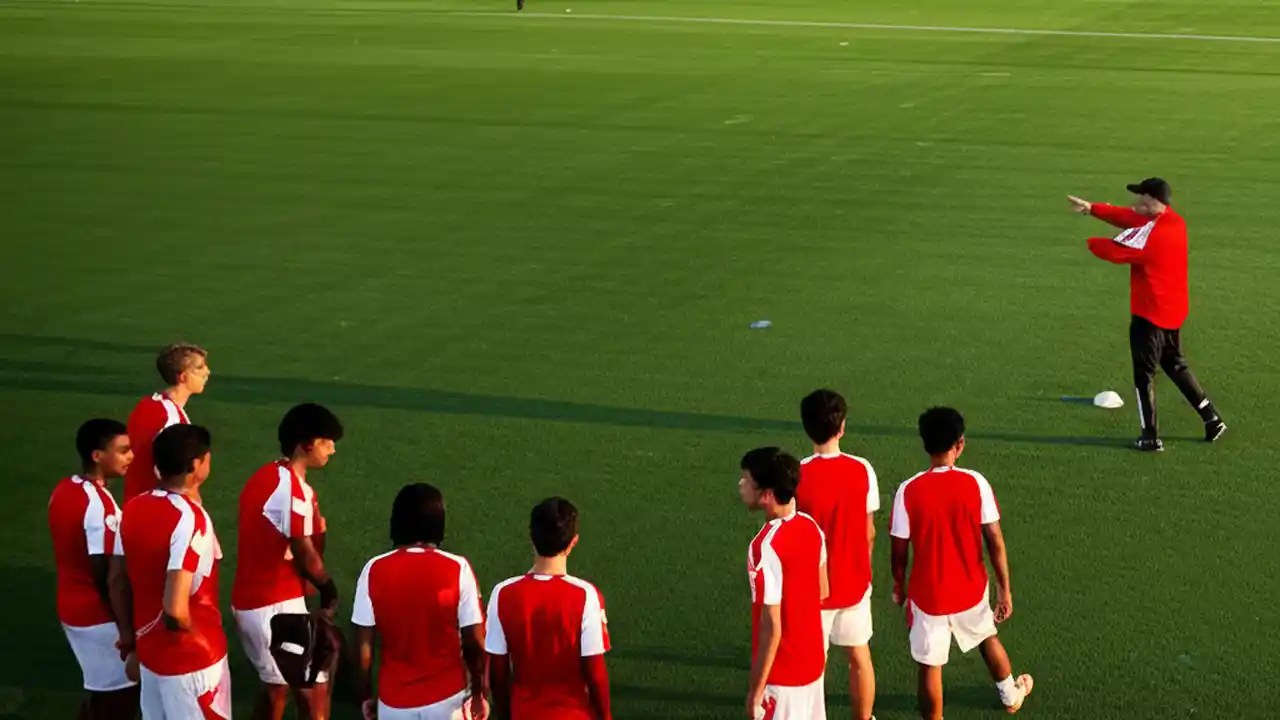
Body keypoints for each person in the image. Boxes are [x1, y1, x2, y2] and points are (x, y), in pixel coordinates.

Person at [889, 408, 1032, 720]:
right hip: (970, 589)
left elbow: (898, 550)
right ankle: (1011, 693)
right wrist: (1004, 588)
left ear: (925, 444)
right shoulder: (975, 483)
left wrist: (899, 587)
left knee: (929, 665)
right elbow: (994, 539)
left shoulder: (908, 490)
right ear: (960, 443)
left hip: (928, 596)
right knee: (986, 638)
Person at [1069, 179, 1226, 451]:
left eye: (1139, 198)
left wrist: (1090, 243)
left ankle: (1150, 436)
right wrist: (1092, 208)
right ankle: (1212, 418)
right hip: (1172, 311)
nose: (1134, 203)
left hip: (1149, 315)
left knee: (1144, 375)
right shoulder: (1174, 222)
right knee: (1176, 365)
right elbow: (1128, 217)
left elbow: (1116, 251)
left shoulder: (1154, 236)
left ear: (1153, 200)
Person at [232, 403, 344, 720]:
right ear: (306, 444)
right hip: (274, 606)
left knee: (276, 689)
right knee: (313, 693)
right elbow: (305, 551)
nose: (332, 450)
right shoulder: (291, 490)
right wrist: (329, 591)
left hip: (258, 600)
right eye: (326, 442)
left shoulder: (267, 475)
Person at [120, 423, 230, 719]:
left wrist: (131, 642)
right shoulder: (190, 520)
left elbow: (117, 579)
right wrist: (201, 639)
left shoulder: (132, 508)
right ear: (196, 464)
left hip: (151, 657)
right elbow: (175, 610)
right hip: (193, 661)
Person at [352, 483, 488, 720]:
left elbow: (363, 650)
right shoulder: (458, 568)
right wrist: (479, 692)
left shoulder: (373, 570)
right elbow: (475, 642)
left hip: (394, 703)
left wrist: (365, 696)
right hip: (449, 700)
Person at [485, 497, 611, 720]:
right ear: (573, 542)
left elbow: (498, 672)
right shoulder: (586, 596)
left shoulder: (503, 594)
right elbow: (595, 673)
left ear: (531, 537)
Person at [48, 419, 139, 719]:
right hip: (97, 617)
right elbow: (106, 576)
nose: (131, 457)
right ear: (97, 455)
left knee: (100, 694)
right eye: (123, 451)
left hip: (71, 606)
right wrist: (126, 627)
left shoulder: (64, 489)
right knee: (119, 701)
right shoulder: (100, 505)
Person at [796, 390, 878, 720]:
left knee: (813, 666)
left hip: (811, 592)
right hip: (854, 583)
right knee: (860, 657)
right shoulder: (862, 469)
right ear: (842, 426)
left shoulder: (798, 474)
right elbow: (869, 531)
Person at [739, 447, 828, 720]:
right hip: (812, 666)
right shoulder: (812, 527)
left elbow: (771, 627)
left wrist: (755, 692)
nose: (741, 485)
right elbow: (823, 591)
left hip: (782, 677)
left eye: (747, 481)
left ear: (766, 495)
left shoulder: (764, 548)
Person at [123, 343, 211, 499]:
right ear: (183, 376)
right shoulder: (172, 418)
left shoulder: (148, 404)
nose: (207, 372)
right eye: (200, 367)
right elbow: (173, 473)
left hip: (135, 500)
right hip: (157, 504)